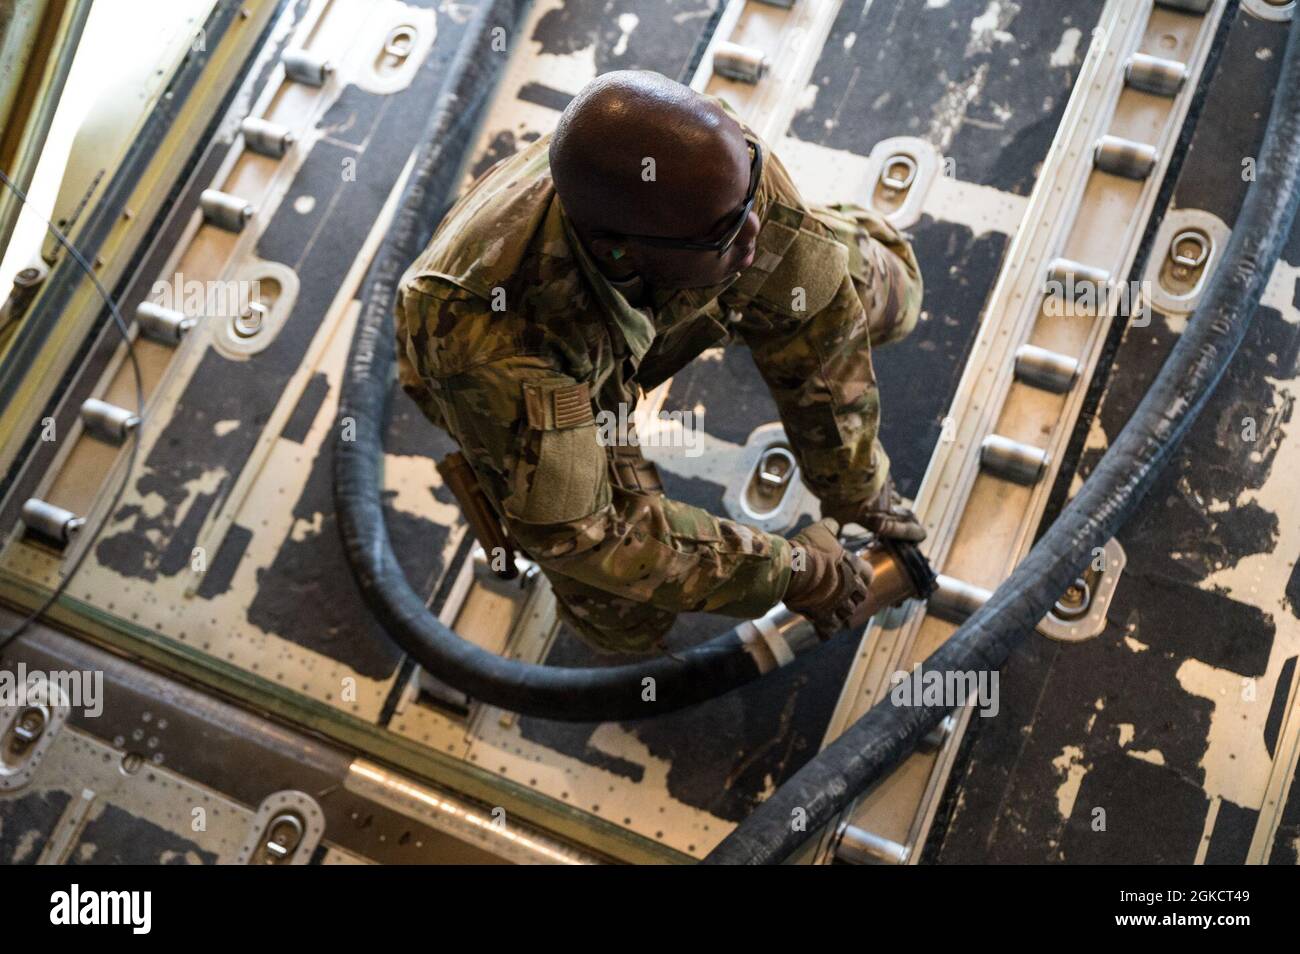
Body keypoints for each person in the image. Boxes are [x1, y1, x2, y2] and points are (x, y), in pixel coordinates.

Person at [397, 70, 924, 653]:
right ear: (617, 250)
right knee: (627, 621)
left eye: (749, 194)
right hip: (547, 379)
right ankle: (507, 483)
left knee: (889, 299)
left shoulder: (718, 163)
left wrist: (856, 486)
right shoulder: (489, 343)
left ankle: (807, 241)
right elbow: (595, 535)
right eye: (727, 229)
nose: (754, 228)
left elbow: (819, 321)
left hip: (670, 272)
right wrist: (793, 571)